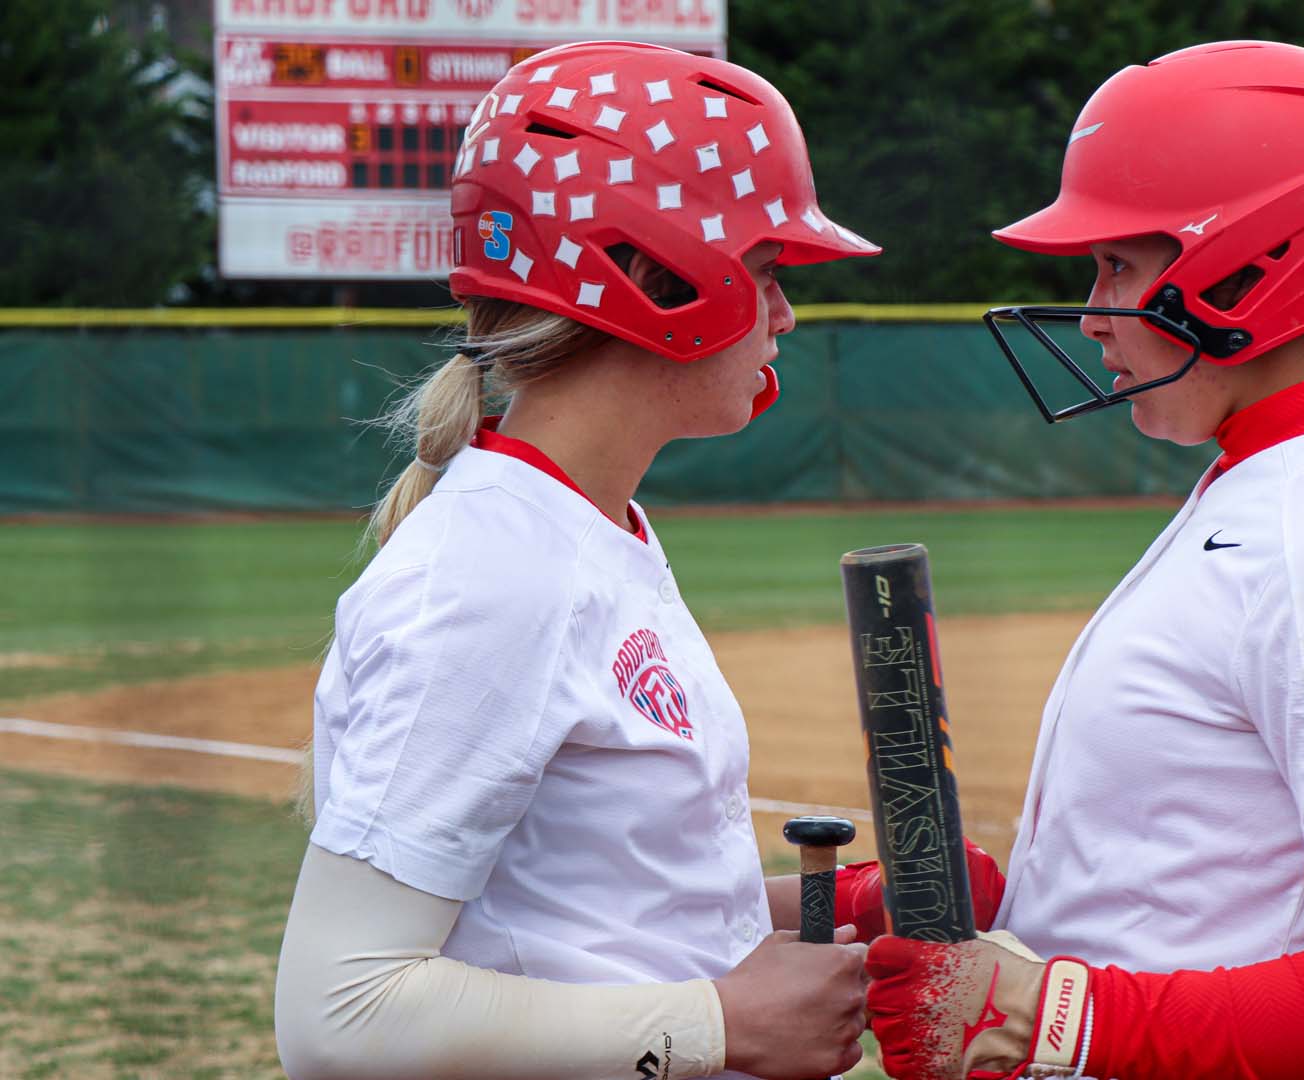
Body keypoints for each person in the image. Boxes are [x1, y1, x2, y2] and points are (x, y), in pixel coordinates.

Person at [863, 41, 1304, 1080]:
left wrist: (1050, 1016)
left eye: (1117, 264)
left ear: (1258, 266)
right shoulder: (1273, 479)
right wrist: (1007, 897)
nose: (1091, 312)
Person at [273, 42, 882, 1080]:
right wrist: (723, 1025)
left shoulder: (584, 528)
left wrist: (856, 902)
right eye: (768, 271)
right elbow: (339, 1015)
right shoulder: (489, 577)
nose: (784, 313)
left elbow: (597, 916)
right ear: (650, 275)